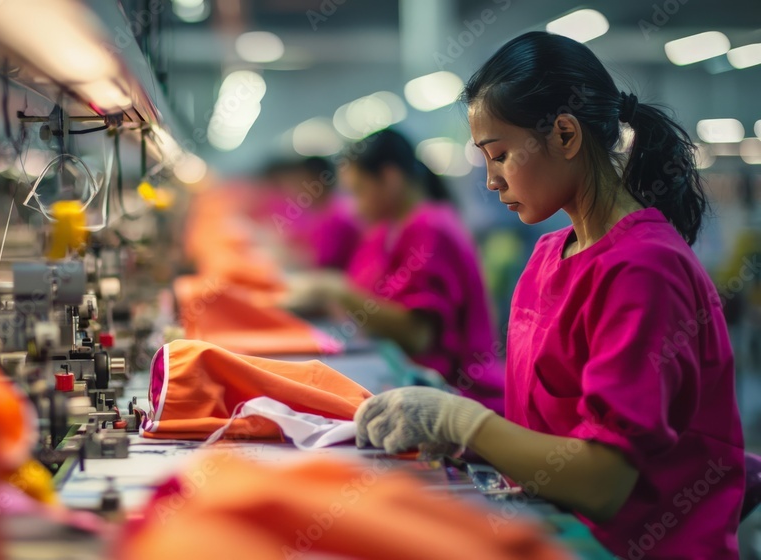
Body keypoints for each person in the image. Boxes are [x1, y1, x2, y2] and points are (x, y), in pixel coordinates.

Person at [354, 31, 744, 559]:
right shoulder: (547, 257)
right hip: (554, 529)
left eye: (501, 155)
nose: (491, 181)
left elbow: (603, 482)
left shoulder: (644, 268)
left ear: (564, 135)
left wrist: (462, 420)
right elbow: (546, 435)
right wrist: (459, 421)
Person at [284, 128, 505, 413]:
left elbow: (418, 337)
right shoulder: (386, 230)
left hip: (459, 400)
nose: (353, 206)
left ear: (389, 178)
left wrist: (336, 291)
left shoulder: (429, 227)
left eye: (359, 191)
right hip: (412, 381)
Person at [270, 156, 363, 271]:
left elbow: (323, 263)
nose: (297, 188)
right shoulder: (319, 212)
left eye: (302, 181)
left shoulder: (337, 218)